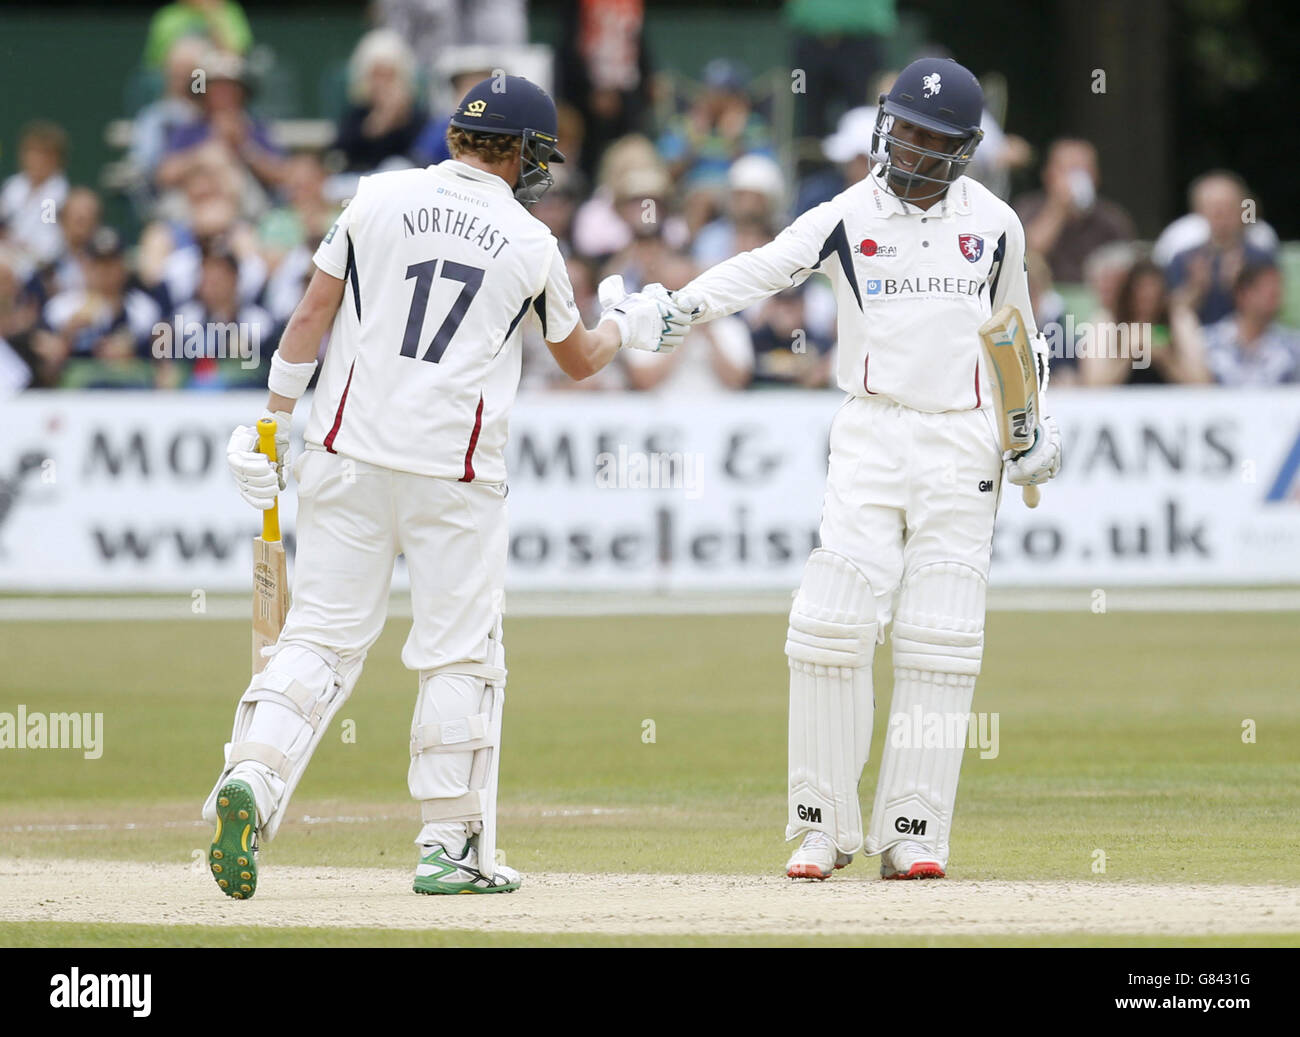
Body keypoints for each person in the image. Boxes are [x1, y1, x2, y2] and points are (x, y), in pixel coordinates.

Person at [206, 76, 687, 898]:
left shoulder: (373, 198)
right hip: (455, 475)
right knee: (459, 653)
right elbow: (579, 360)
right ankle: (447, 848)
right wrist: (634, 324)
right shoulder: (532, 241)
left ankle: (250, 776)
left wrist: (272, 423)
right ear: (523, 153)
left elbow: (307, 319)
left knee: (317, 639)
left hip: (343, 454)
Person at [663, 57, 1061, 881]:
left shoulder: (994, 224)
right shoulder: (847, 213)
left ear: (963, 149)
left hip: (963, 439)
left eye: (931, 137)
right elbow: (761, 268)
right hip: (871, 432)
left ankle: (913, 828)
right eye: (903, 127)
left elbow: (1015, 333)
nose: (909, 146)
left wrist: (1030, 430)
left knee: (941, 637)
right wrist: (671, 309)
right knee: (830, 624)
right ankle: (821, 825)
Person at [1015, 138, 1134, 284]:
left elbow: (1127, 269)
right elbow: (1026, 256)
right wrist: (1058, 210)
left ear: (1096, 176)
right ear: (1048, 175)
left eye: (1083, 171)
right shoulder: (1027, 208)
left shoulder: (1112, 219)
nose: (1076, 179)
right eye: (1068, 170)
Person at [1203, 263, 1300, 386]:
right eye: (1268, 290)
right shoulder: (1207, 342)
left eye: (1278, 290)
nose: (1275, 296)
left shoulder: (1293, 347)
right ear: (1242, 294)